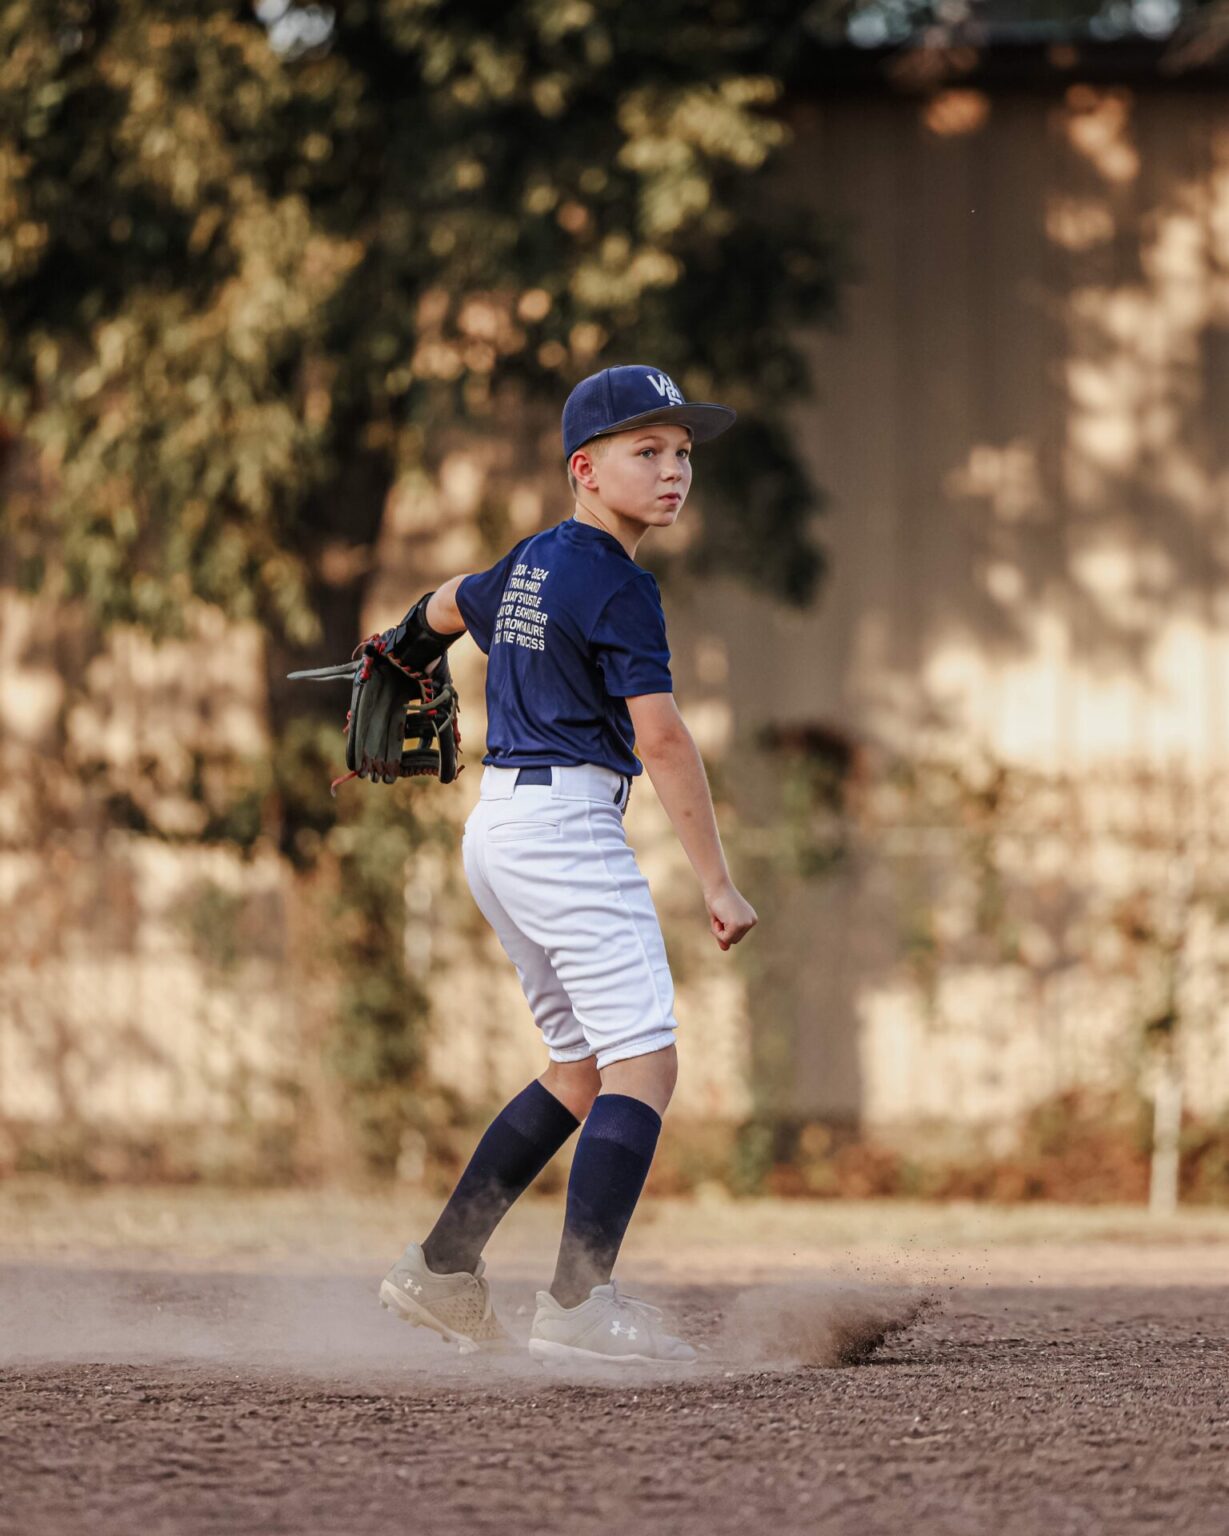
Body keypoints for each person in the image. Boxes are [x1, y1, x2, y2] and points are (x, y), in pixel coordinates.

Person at [378, 364, 758, 1364]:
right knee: (645, 1061)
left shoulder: (534, 561)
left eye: (680, 452)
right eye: (646, 451)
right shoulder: (621, 586)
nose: (673, 469)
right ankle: (579, 1307)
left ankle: (442, 1270)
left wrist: (399, 642)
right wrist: (715, 881)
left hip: (498, 832)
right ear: (583, 468)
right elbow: (664, 741)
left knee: (579, 1070)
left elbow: (453, 601)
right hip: (564, 832)